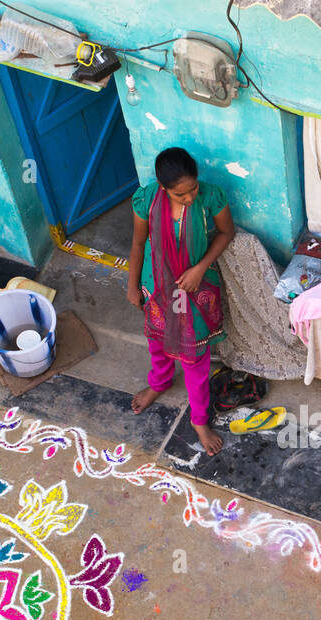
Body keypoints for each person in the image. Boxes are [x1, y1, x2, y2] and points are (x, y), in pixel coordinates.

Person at [127, 147, 235, 456]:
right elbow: (137, 243)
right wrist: (132, 285)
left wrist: (200, 268)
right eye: (180, 195)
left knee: (195, 359)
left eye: (193, 190)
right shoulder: (145, 200)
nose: (189, 198)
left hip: (195, 287)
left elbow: (226, 232)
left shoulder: (211, 197)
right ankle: (158, 382)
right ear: (163, 188)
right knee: (158, 342)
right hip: (158, 285)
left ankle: (200, 419)